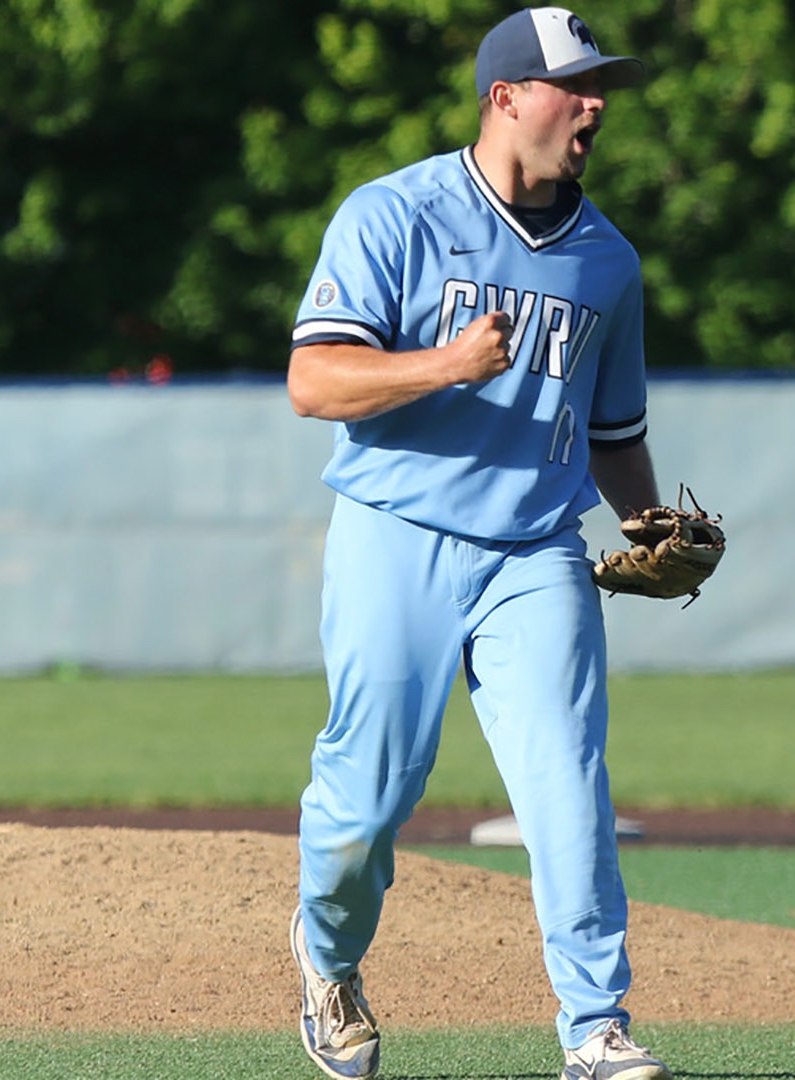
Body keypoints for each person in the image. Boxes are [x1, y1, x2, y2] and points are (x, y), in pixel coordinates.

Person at [282, 8, 674, 1080]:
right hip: (395, 535)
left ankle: (594, 1025)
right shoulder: (394, 214)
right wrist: (443, 365)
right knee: (370, 797)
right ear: (506, 97)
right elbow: (313, 381)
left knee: (566, 785)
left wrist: (650, 528)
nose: (595, 104)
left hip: (536, 549)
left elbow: (613, 434)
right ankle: (329, 960)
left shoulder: (607, 261)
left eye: (601, 85)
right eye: (574, 85)